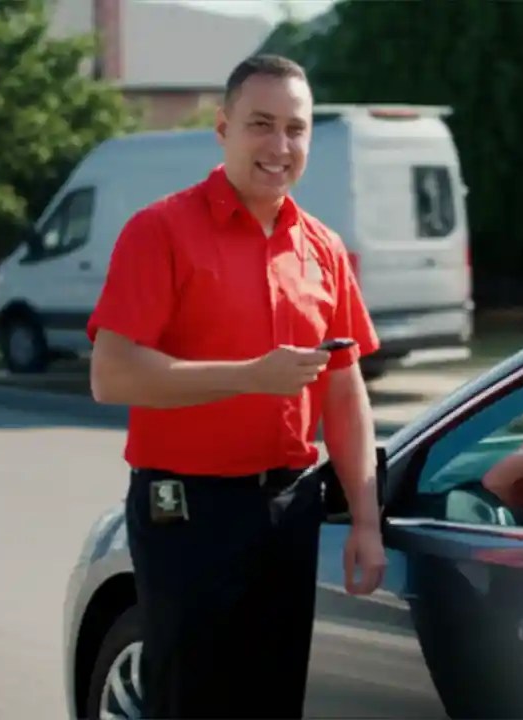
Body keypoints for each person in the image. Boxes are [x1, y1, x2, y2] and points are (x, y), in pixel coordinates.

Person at [86, 54, 387, 719]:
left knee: (271, 702)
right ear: (222, 128)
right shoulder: (160, 231)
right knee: (192, 701)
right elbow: (111, 375)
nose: (280, 146)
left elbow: (344, 392)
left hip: (289, 509)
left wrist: (366, 518)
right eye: (261, 124)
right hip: (186, 511)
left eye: (296, 128)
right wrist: (251, 378)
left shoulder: (324, 249)